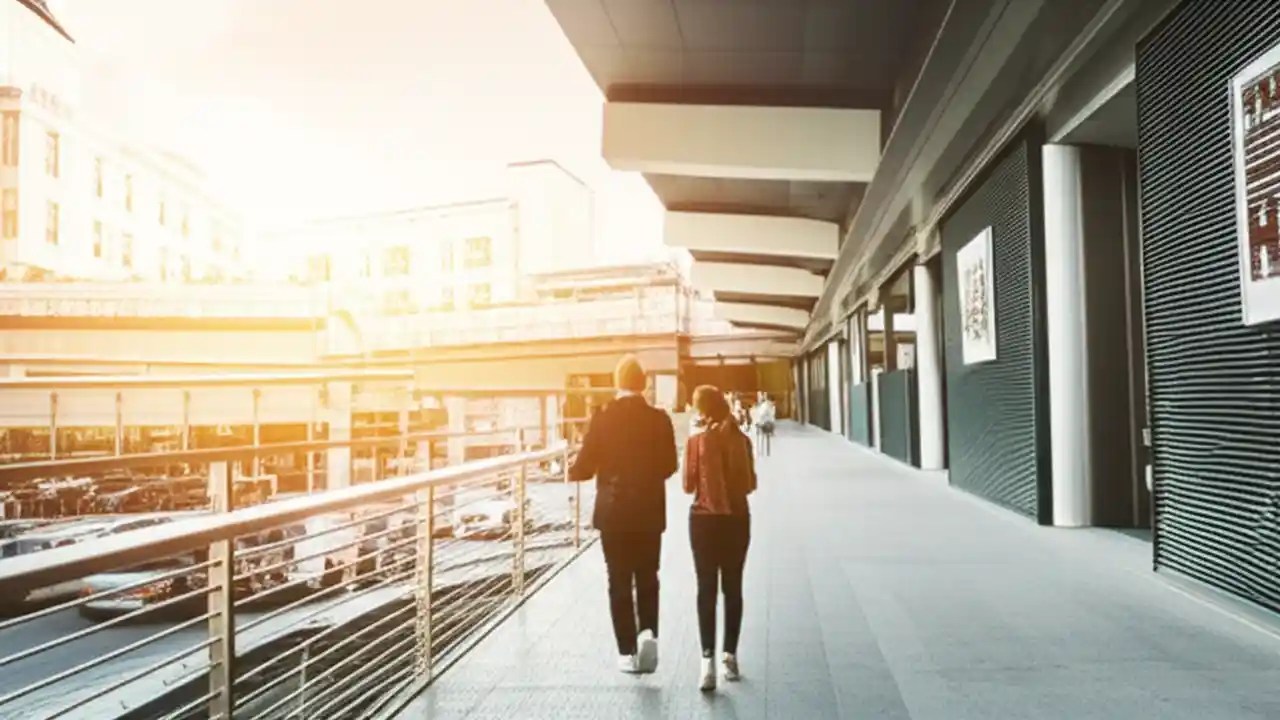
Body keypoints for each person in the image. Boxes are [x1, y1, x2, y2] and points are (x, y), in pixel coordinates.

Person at [569, 355, 678, 674]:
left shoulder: (602, 418)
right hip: (648, 511)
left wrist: (572, 470)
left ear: (618, 383)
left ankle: (626, 652)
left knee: (618, 579)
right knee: (648, 576)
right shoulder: (660, 419)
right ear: (643, 384)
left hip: (613, 513)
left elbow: (585, 467)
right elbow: (670, 464)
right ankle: (648, 636)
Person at [683, 385, 756, 691]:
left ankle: (706, 663)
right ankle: (730, 656)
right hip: (737, 520)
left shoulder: (696, 442)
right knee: (733, 587)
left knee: (706, 589)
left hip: (703, 522)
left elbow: (688, 485)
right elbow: (750, 483)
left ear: (702, 411)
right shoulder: (742, 440)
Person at [752, 392, 776, 457]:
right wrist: (761, 423)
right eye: (773, 402)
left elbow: (771, 417)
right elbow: (760, 416)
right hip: (763, 424)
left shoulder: (770, 407)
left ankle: (765, 452)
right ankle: (762, 452)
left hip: (766, 423)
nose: (774, 404)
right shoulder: (765, 406)